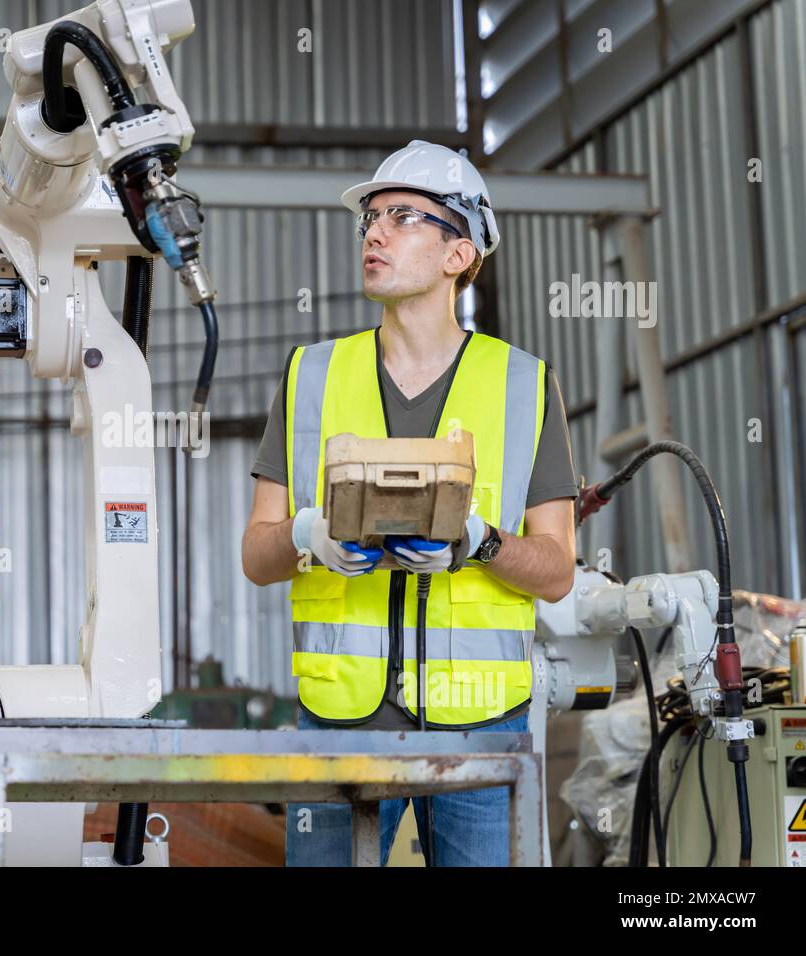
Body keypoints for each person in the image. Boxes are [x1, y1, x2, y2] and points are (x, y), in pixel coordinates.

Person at [240, 140, 578, 866]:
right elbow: (256, 555)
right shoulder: (309, 376)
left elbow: (555, 571)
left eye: (403, 216)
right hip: (337, 726)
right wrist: (312, 536)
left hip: (481, 729)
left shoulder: (524, 385)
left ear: (461, 254)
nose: (374, 231)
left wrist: (479, 542)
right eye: (369, 217)